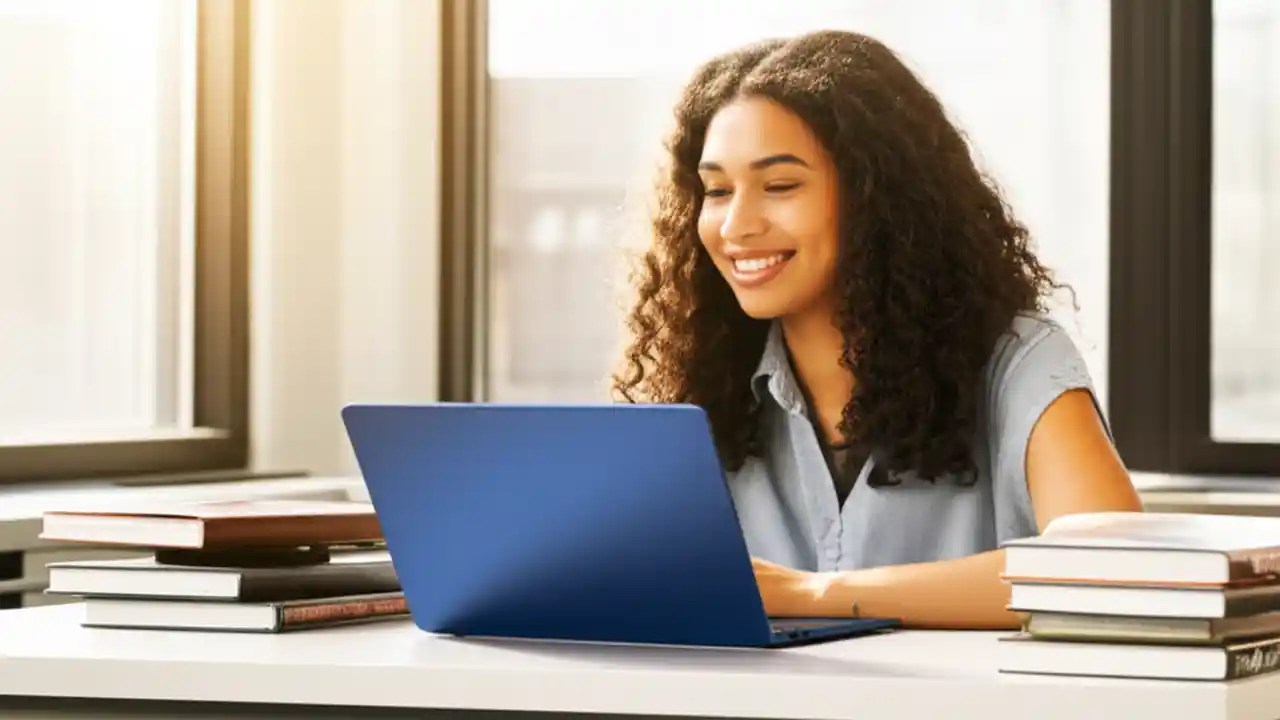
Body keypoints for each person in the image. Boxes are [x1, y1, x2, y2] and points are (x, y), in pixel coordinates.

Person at [611, 30, 1142, 629]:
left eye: (780, 185)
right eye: (717, 191)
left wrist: (814, 594)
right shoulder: (702, 387)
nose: (736, 225)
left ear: (877, 197)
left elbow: (1114, 572)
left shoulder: (1020, 363)